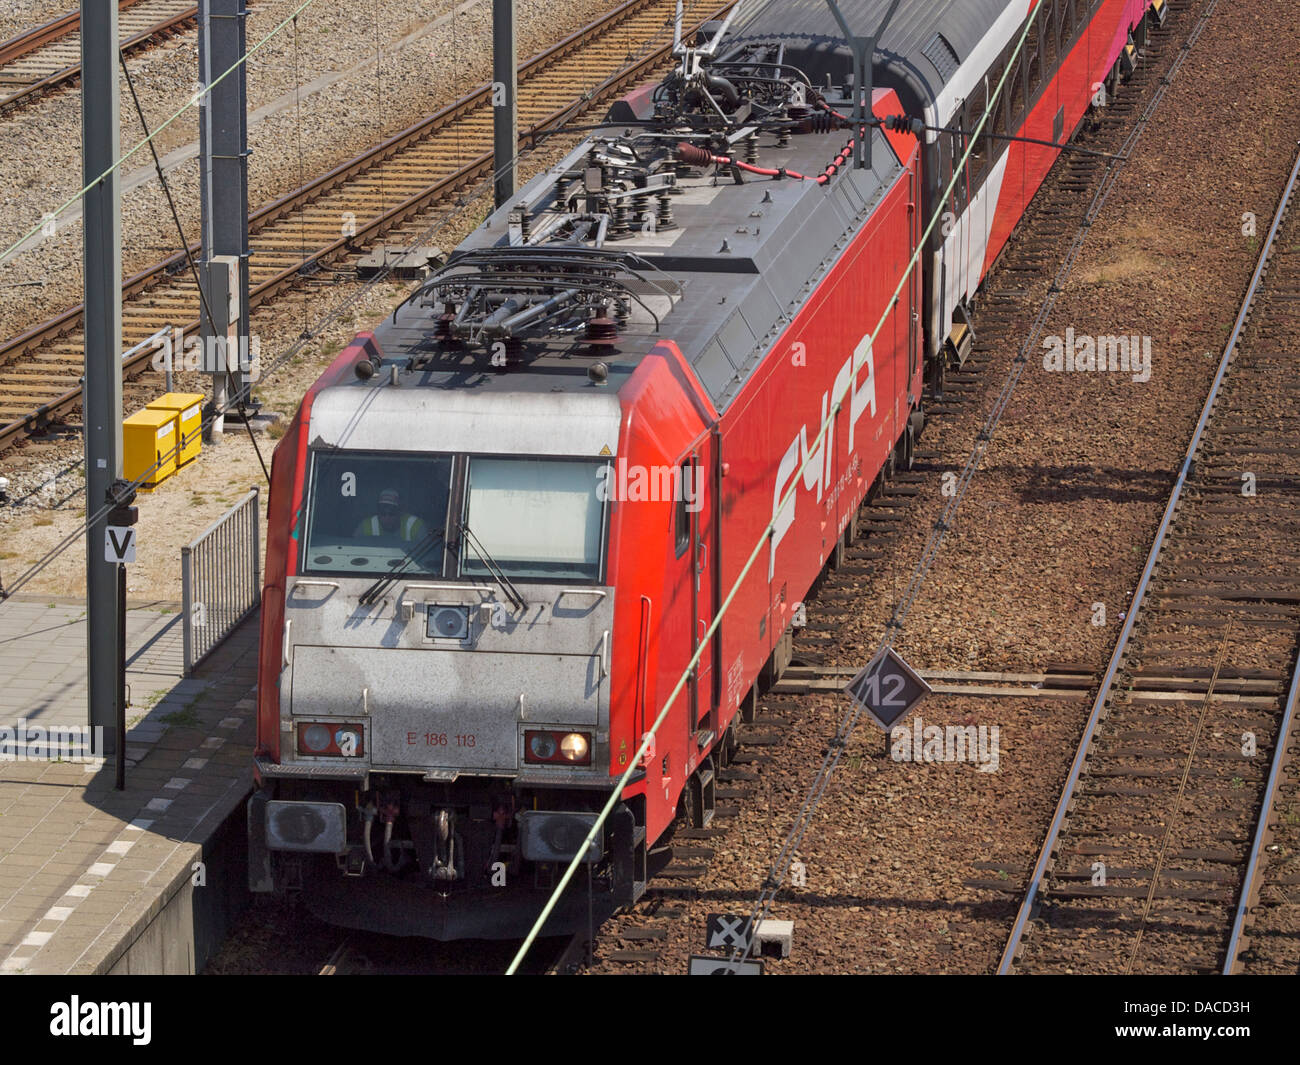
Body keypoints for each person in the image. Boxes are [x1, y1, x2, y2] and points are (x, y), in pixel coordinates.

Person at [354, 488, 429, 542]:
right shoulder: (365, 527)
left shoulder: (416, 526)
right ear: (377, 513)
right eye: (383, 513)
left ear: (400, 512)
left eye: (392, 513)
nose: (387, 518)